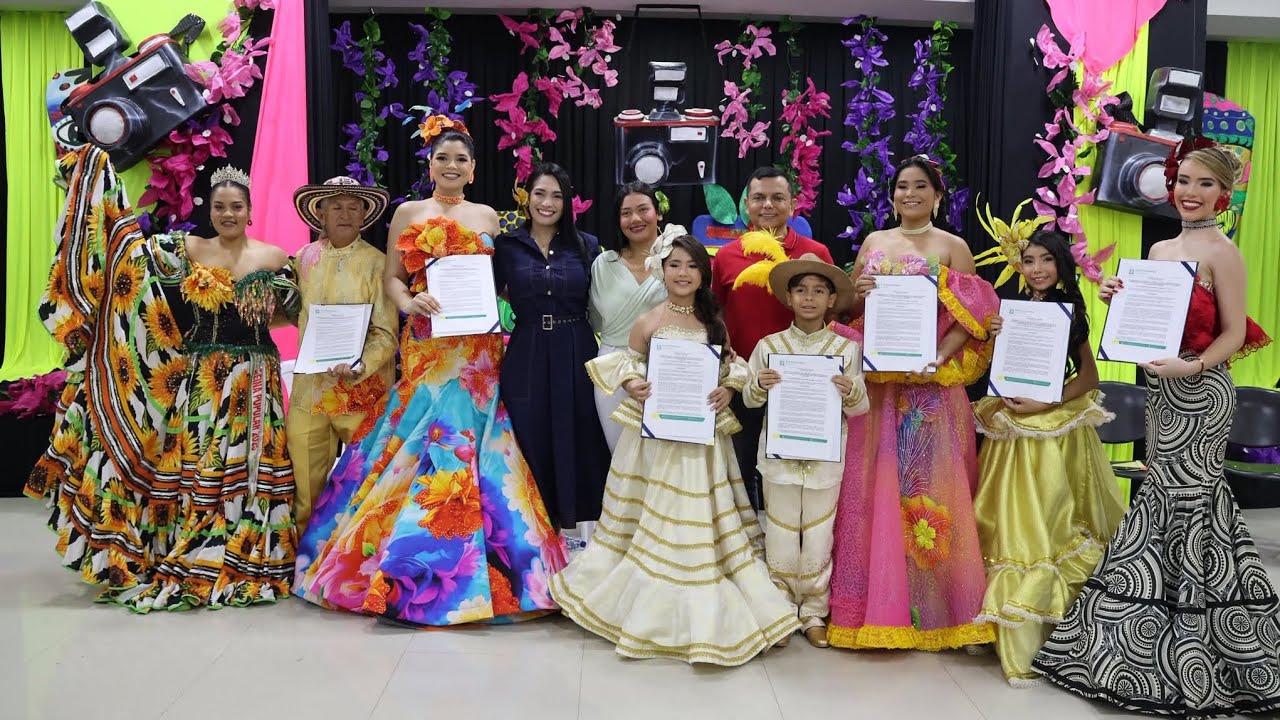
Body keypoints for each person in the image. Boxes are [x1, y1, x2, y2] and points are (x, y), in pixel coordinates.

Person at [1033, 139, 1279, 716]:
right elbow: (1147, 323)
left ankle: (1198, 649)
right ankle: (1141, 648)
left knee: (1193, 506)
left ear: (1224, 194)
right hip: (1162, 392)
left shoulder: (1224, 252)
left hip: (1202, 390)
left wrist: (1193, 367)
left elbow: (1234, 333)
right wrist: (1115, 295)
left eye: (1205, 184)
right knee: (1159, 501)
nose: (1191, 192)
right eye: (1184, 180)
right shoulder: (1161, 248)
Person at [295, 117, 566, 626]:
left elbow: (500, 283)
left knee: (480, 440)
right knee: (423, 434)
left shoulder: (488, 217)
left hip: (478, 350)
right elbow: (393, 280)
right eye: (443, 157)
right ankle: (404, 566)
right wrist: (410, 302)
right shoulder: (408, 213)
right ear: (430, 163)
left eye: (461, 159)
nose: (451, 165)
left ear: (474, 169)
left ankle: (489, 572)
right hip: (428, 344)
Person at [551, 233, 800, 665]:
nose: (683, 273)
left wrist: (727, 388)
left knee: (698, 512)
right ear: (661, 271)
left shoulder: (714, 323)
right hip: (655, 439)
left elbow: (732, 365)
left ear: (704, 273)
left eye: (692, 265)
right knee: (654, 510)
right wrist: (634, 383)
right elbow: (626, 363)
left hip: (702, 441)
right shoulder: (648, 320)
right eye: (675, 265)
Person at [826, 154, 999, 650]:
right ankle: (877, 607)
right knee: (875, 490)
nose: (910, 194)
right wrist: (857, 292)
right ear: (893, 194)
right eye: (902, 186)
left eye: (921, 186)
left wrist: (938, 358)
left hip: (929, 390)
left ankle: (941, 610)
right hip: (880, 387)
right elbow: (851, 310)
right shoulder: (875, 242)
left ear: (937, 195)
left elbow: (973, 316)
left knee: (932, 492)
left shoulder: (953, 247)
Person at [970, 227, 1127, 685]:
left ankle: (1042, 626)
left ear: (1062, 265)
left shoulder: (1070, 312)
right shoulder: (1012, 311)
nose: (1037, 269)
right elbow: (999, 367)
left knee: (1046, 519)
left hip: (1049, 426)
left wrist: (1047, 402)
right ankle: (992, 621)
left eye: (1047, 260)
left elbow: (1090, 378)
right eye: (1030, 260)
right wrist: (992, 337)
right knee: (1003, 518)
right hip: (1011, 423)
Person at [743, 253, 870, 648]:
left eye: (818, 291)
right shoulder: (770, 346)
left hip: (824, 458)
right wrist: (759, 385)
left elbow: (861, 406)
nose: (809, 298)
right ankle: (781, 609)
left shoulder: (845, 349)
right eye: (801, 290)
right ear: (788, 298)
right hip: (779, 458)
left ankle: (814, 610)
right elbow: (748, 399)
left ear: (831, 300)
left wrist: (850, 391)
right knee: (780, 533)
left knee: (818, 535)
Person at [495, 163, 611, 542]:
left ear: (567, 202)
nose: (547, 203)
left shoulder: (587, 245)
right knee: (530, 435)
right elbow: (487, 291)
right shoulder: (506, 246)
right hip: (526, 349)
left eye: (557, 195)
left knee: (577, 433)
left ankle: (578, 535)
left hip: (576, 347)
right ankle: (536, 538)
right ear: (526, 197)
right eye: (540, 193)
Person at [711, 166, 834, 510]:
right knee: (741, 465)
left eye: (777, 197)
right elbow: (715, 314)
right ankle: (749, 535)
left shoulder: (815, 253)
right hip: (745, 381)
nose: (768, 205)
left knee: (794, 472)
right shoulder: (726, 256)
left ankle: (789, 534)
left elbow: (834, 312)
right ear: (747, 205)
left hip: (801, 383)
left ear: (793, 205)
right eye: (759, 198)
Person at [287, 176, 397, 534]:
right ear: (321, 214)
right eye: (336, 206)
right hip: (310, 391)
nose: (345, 214)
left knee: (365, 488)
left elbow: (386, 333)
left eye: (353, 207)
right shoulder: (302, 260)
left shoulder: (378, 264)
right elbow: (287, 311)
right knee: (304, 489)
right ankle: (303, 559)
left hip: (361, 391)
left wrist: (362, 365)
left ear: (365, 215)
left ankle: (356, 562)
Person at [588, 181, 683, 452]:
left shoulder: (678, 260)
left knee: (666, 456)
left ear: (658, 213)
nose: (635, 219)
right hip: (614, 367)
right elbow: (594, 319)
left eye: (643, 209)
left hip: (668, 364)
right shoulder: (603, 264)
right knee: (620, 453)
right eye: (626, 213)